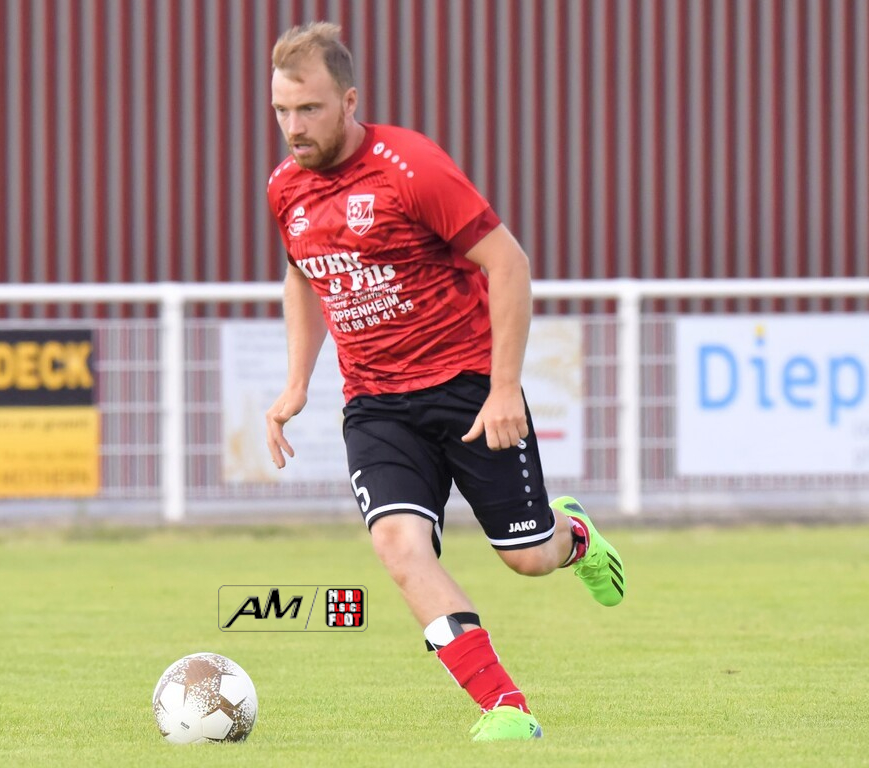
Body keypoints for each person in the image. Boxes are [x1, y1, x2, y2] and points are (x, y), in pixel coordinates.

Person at [263, 21, 624, 742]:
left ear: (349, 101)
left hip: (465, 388)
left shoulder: (410, 167)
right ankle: (505, 708)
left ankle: (575, 537)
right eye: (281, 110)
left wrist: (503, 387)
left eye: (309, 109)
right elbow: (303, 276)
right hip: (375, 405)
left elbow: (508, 263)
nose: (293, 127)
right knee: (400, 548)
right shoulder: (285, 189)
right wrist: (297, 382)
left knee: (527, 557)